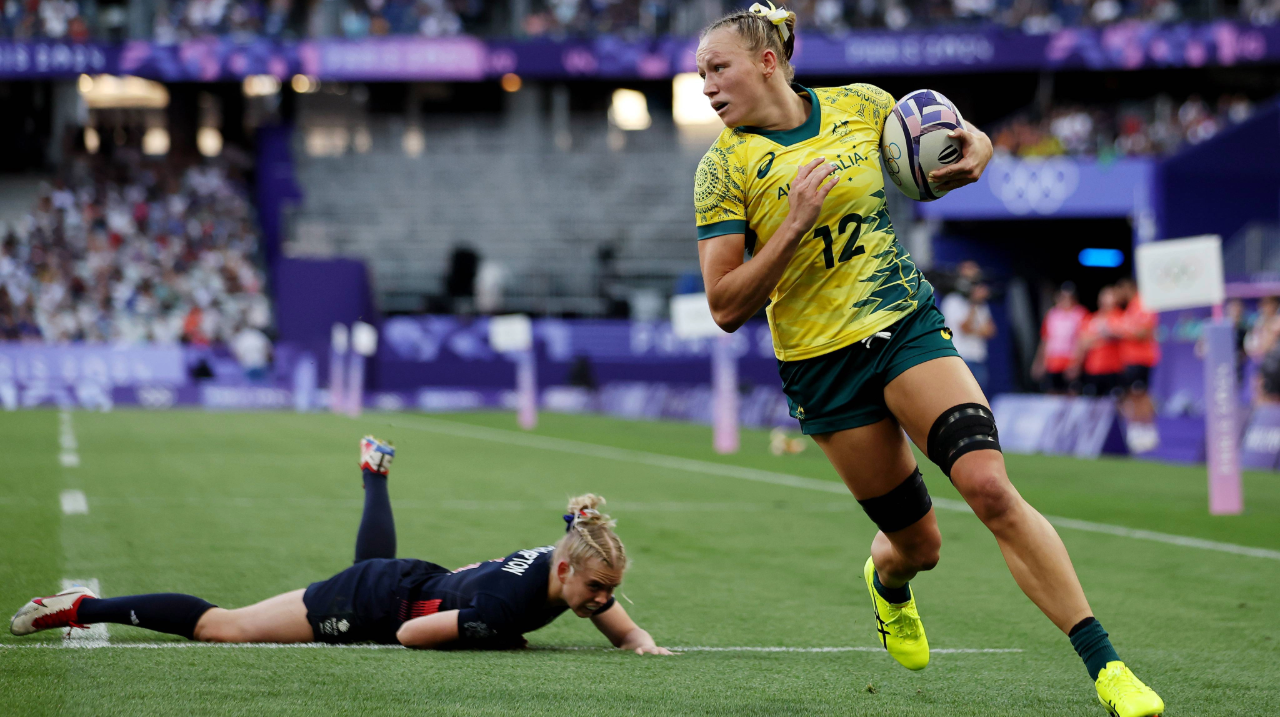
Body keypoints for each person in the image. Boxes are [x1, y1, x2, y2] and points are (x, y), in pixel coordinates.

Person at [690, 5, 1163, 716]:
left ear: (766, 61)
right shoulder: (722, 168)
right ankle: (888, 580)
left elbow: (948, 142)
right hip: (822, 365)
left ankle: (1109, 668)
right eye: (701, 73)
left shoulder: (861, 105)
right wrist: (792, 225)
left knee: (990, 488)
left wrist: (981, 145)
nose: (705, 85)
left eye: (717, 67)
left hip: (904, 325)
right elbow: (725, 305)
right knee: (919, 545)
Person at [10, 437, 673, 655]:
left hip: (412, 580)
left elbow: (618, 622)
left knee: (373, 567)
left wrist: (638, 641)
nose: (603, 600)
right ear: (566, 567)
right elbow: (412, 637)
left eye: (608, 590)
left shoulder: (566, 564)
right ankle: (80, 607)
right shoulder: (510, 602)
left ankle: (373, 473)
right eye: (597, 588)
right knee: (223, 627)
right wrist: (496, 636)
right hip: (383, 605)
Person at [1113, 278, 1160, 451]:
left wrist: (1121, 332)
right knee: (1131, 396)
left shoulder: (1143, 304)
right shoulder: (1131, 307)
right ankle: (1137, 430)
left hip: (1142, 358)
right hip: (1130, 359)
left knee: (1141, 394)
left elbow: (1144, 332)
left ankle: (1148, 431)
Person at [940, 278, 996, 392]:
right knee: (961, 394)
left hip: (978, 357)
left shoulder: (981, 304)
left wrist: (975, 330)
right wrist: (973, 304)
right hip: (961, 356)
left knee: (979, 396)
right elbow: (965, 329)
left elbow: (991, 331)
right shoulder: (953, 300)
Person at [1032, 282, 1088, 394]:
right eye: (1062, 296)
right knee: (1052, 393)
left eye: (1068, 297)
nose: (1065, 300)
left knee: (1072, 394)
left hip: (1070, 361)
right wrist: (1039, 362)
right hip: (1053, 362)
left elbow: (1082, 341)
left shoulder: (1080, 314)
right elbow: (1045, 340)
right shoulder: (1051, 315)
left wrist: (1076, 364)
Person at [1077, 287, 1124, 398]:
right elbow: (1083, 342)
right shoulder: (1091, 318)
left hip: (1114, 368)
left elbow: (1120, 334)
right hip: (1093, 369)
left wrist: (1098, 337)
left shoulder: (1120, 316)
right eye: (1104, 297)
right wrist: (1102, 336)